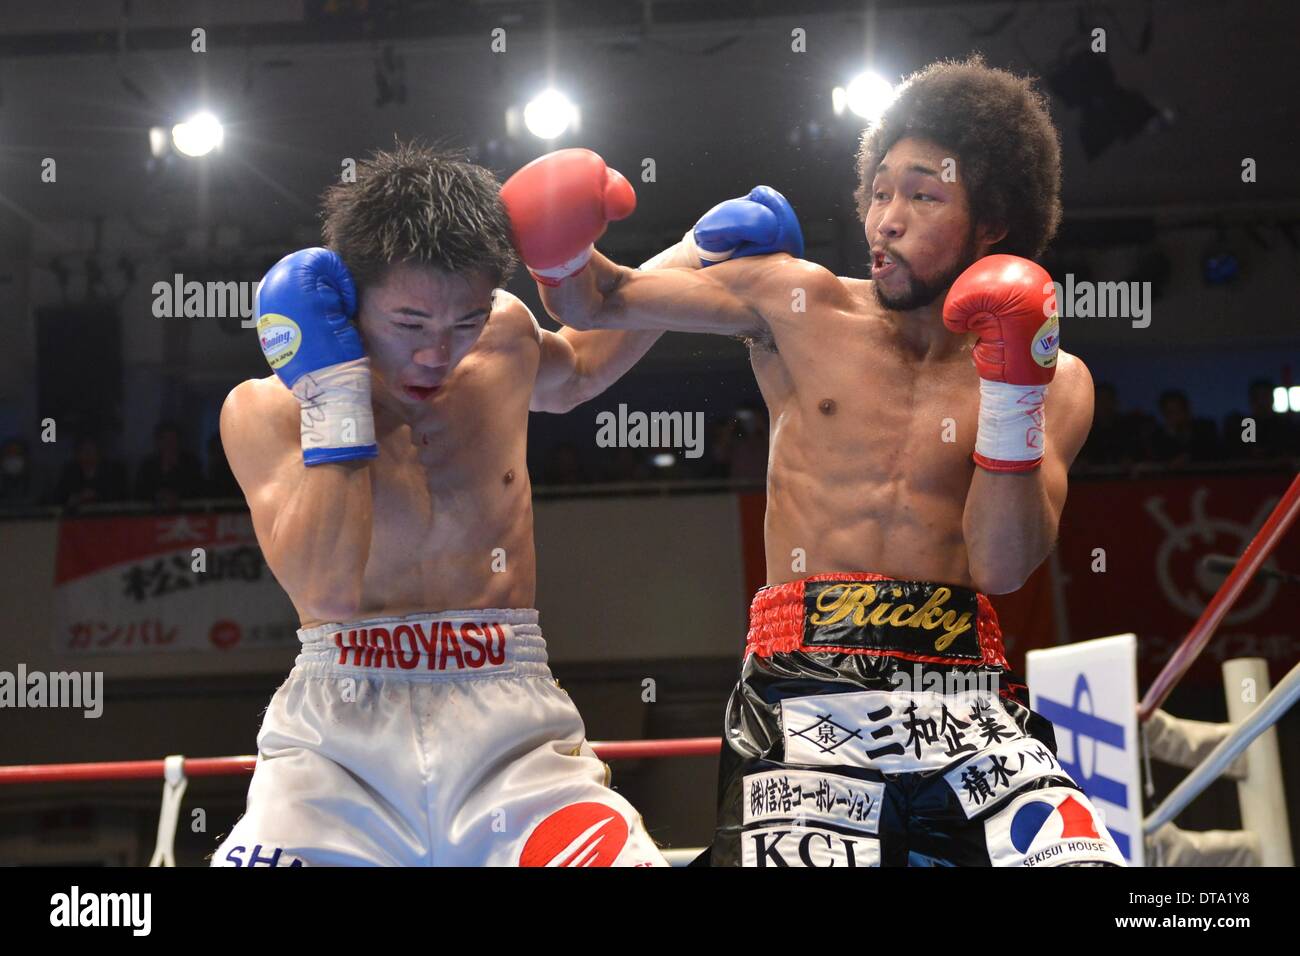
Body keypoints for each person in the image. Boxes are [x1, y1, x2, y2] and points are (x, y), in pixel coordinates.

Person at [506, 56, 1125, 867]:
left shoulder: (1059, 378)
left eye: (923, 195)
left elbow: (1003, 567)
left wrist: (1011, 394)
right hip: (806, 689)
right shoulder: (802, 304)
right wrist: (561, 250)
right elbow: (597, 302)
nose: (886, 220)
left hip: (967, 697)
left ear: (993, 222)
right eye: (879, 193)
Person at [212, 141, 765, 867]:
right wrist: (336, 395)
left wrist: (694, 253)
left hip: (509, 727)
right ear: (348, 298)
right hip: (338, 744)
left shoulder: (503, 335)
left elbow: (576, 374)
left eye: (462, 323)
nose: (438, 355)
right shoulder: (266, 411)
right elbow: (328, 590)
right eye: (410, 325)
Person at [135, 420, 204, 508]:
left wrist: (178, 497)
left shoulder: (191, 464)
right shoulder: (148, 466)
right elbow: (139, 493)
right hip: (153, 517)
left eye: (173, 439)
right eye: (165, 439)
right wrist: (157, 496)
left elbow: (198, 490)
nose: (169, 444)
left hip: (185, 516)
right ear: (158, 442)